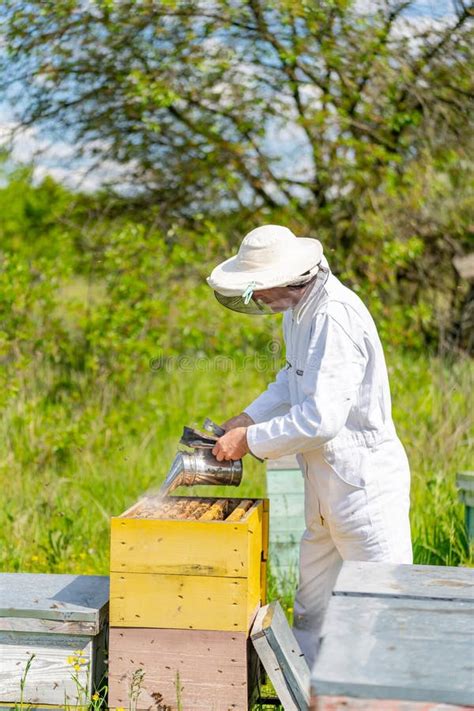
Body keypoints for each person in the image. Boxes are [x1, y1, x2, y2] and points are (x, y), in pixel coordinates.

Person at [207, 224, 412, 668]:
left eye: (259, 288)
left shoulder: (334, 317)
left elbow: (322, 419)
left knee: (384, 616)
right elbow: (292, 378)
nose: (256, 298)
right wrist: (249, 417)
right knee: (313, 613)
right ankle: (309, 695)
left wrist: (251, 440)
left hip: (364, 492)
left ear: (287, 277)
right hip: (323, 489)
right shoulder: (299, 310)